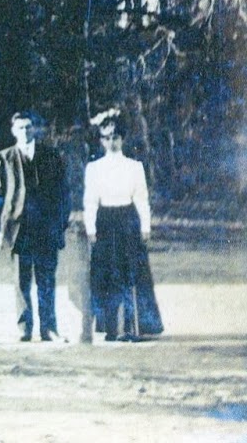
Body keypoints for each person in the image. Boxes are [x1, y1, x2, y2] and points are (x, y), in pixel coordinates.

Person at [84, 110, 163, 341]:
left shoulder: (134, 166)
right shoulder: (94, 168)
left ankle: (132, 327)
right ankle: (111, 327)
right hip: (105, 221)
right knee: (108, 274)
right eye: (107, 137)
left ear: (123, 139)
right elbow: (90, 201)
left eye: (116, 137)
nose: (112, 142)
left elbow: (141, 198)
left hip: (128, 220)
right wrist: (91, 228)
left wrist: (145, 226)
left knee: (131, 273)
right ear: (101, 140)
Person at [0, 110, 70, 342]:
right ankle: (24, 328)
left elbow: (63, 194)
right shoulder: (4, 158)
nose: (25, 131)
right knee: (21, 280)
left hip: (45, 228)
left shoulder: (51, 155)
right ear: (13, 131)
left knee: (46, 280)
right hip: (19, 229)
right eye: (20, 128)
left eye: (28, 127)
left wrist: (59, 225)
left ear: (35, 129)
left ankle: (49, 328)